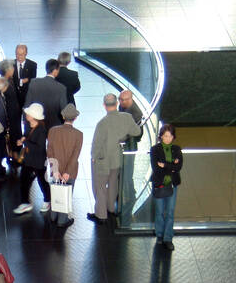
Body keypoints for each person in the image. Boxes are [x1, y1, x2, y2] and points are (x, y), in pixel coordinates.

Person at [89, 93, 143, 224]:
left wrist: (93, 157)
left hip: (103, 160)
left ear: (104, 106)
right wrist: (123, 136)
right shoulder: (127, 117)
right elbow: (137, 132)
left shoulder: (102, 123)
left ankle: (101, 215)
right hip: (117, 159)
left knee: (100, 186)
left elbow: (97, 144)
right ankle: (111, 208)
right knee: (113, 184)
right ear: (117, 103)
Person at [46, 102, 81, 231]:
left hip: (55, 170)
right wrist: (67, 172)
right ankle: (62, 220)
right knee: (66, 194)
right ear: (75, 118)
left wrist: (55, 170)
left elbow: (49, 151)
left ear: (62, 116)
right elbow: (75, 155)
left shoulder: (53, 131)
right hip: (69, 172)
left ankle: (53, 216)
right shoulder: (79, 134)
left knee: (55, 192)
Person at [13, 105, 52, 215]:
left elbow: (39, 147)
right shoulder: (28, 125)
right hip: (29, 159)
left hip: (38, 160)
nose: (26, 115)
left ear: (33, 116)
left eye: (28, 113)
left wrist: (25, 142)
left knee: (42, 181)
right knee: (23, 179)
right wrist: (23, 140)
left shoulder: (41, 130)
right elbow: (26, 136)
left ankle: (47, 200)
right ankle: (25, 203)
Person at [150, 122, 183, 250]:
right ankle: (159, 235)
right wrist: (171, 166)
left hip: (172, 185)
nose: (168, 138)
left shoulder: (177, 149)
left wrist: (165, 165)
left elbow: (178, 167)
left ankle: (168, 238)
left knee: (170, 212)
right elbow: (156, 168)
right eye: (165, 136)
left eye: (170, 136)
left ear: (173, 137)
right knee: (159, 212)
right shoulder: (155, 149)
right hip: (159, 184)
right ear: (161, 136)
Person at [27, 60, 68, 126]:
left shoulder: (34, 83)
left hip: (36, 123)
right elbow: (64, 111)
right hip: (53, 125)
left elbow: (27, 104)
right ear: (55, 71)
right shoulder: (61, 88)